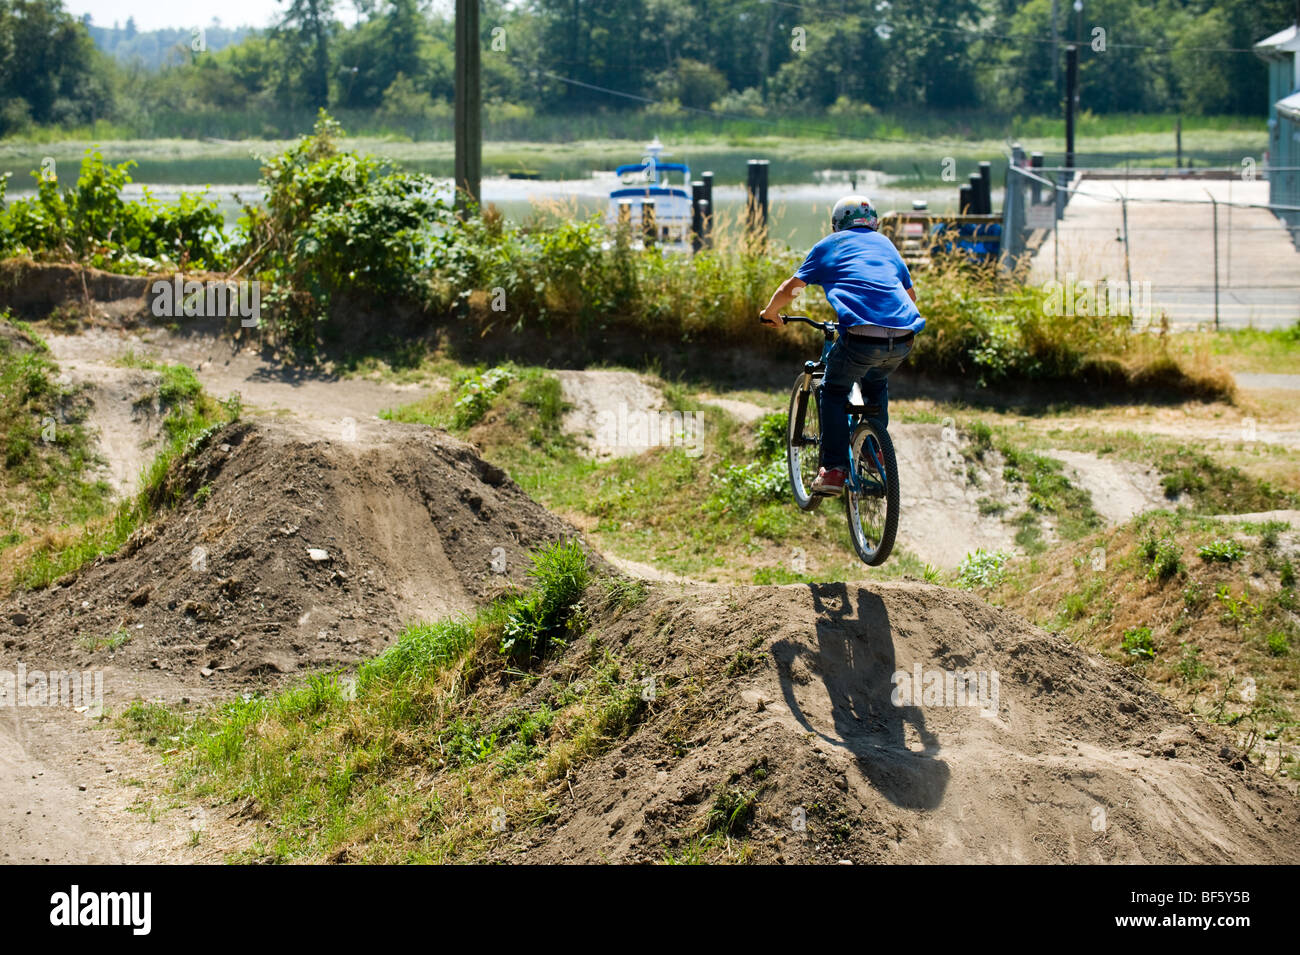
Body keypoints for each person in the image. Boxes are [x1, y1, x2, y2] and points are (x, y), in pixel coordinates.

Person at [759, 195, 924, 496]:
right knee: (876, 383)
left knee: (833, 389)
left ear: (836, 224)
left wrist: (771, 313)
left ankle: (834, 469)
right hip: (903, 338)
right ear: (873, 221)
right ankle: (875, 455)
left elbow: (792, 288)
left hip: (861, 339)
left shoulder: (830, 245)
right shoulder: (886, 245)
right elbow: (910, 296)